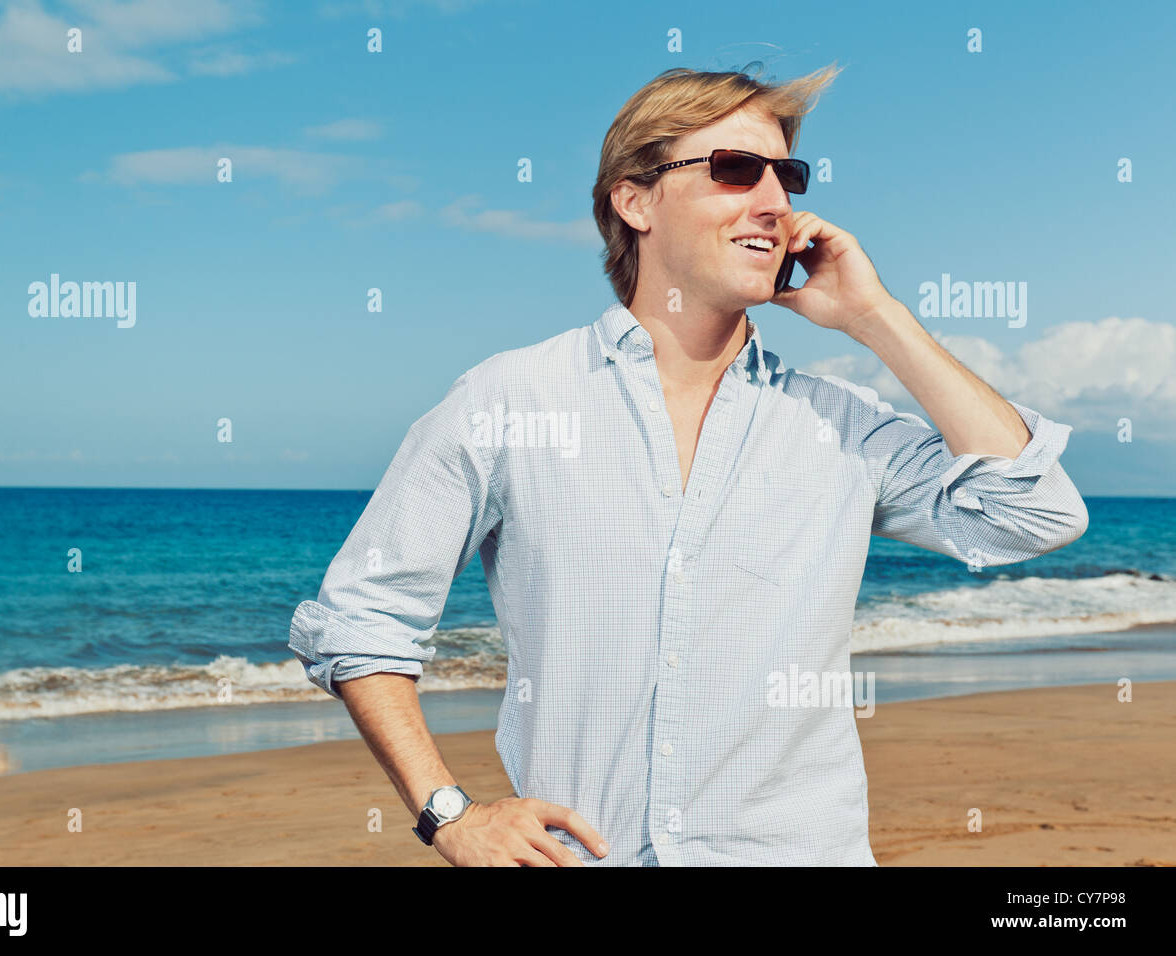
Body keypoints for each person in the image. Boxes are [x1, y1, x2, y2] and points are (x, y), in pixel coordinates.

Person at [287, 65, 1089, 866]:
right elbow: (363, 616)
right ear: (633, 201)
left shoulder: (840, 425)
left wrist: (878, 319)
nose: (775, 202)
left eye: (787, 176)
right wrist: (449, 815)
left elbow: (1034, 512)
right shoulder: (512, 398)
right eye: (734, 170)